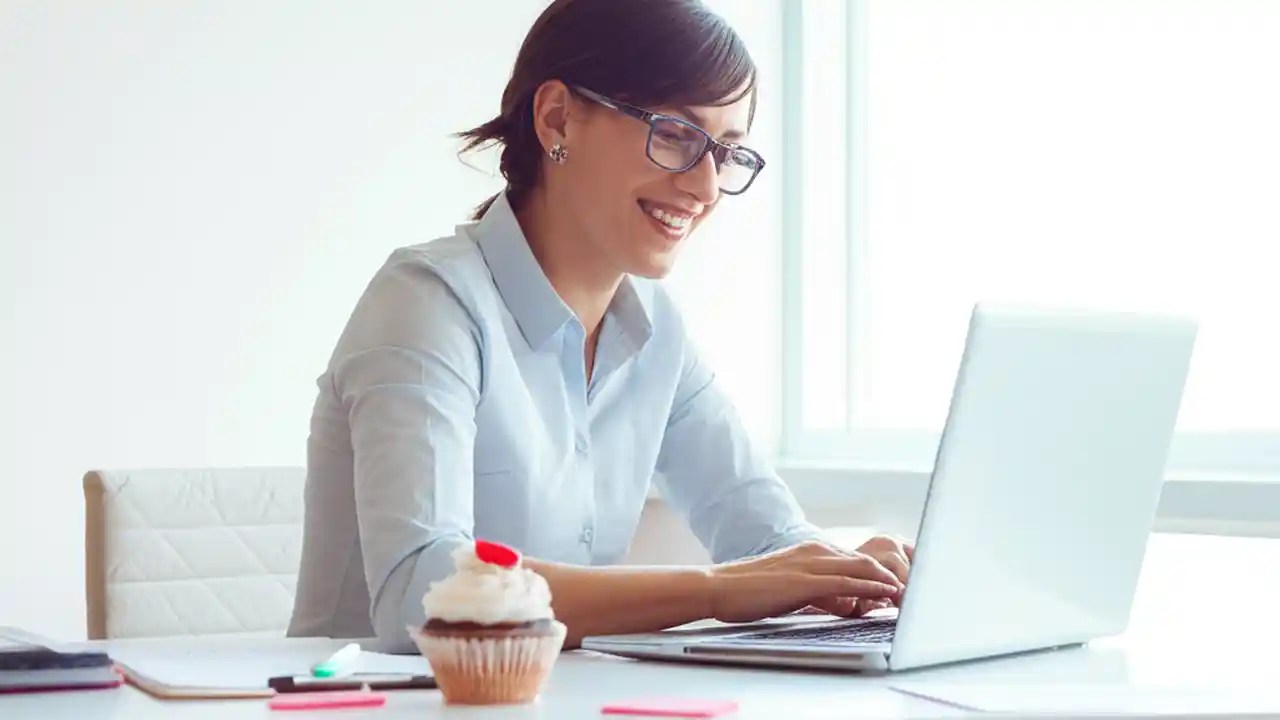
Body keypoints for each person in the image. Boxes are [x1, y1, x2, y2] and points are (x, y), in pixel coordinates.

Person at [288, 0, 913, 651]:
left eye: (726, 152)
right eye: (675, 134)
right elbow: (421, 593)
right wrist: (716, 590)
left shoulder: (655, 335)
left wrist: (848, 571)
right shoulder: (427, 303)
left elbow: (769, 540)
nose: (703, 186)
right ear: (558, 118)